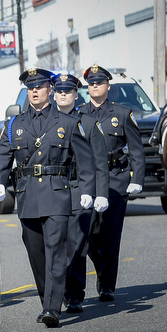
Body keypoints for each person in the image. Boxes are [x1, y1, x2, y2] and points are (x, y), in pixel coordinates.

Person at [0, 68, 95, 327]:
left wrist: (87, 191)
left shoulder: (68, 123)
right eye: (30, 87)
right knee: (36, 255)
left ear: (50, 89)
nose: (34, 91)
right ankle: (46, 300)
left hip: (58, 195)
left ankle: (52, 308)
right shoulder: (14, 125)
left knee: (57, 251)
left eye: (39, 86)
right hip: (28, 197)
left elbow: (85, 161)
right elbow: (1, 157)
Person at [77, 64, 145, 302]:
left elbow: (136, 149)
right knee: (91, 234)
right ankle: (100, 270)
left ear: (107, 86)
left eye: (99, 82)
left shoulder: (122, 114)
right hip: (89, 182)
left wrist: (137, 178)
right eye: (91, 83)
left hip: (115, 179)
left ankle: (107, 285)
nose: (95, 86)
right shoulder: (77, 114)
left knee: (110, 234)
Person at [50, 72, 110, 313]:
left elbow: (99, 162)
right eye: (59, 91)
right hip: (52, 189)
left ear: (76, 94)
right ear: (53, 95)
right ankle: (55, 292)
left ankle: (74, 294)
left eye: (68, 91)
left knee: (76, 245)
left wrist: (101, 193)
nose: (63, 94)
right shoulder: (46, 122)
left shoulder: (87, 123)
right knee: (54, 245)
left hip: (78, 189)